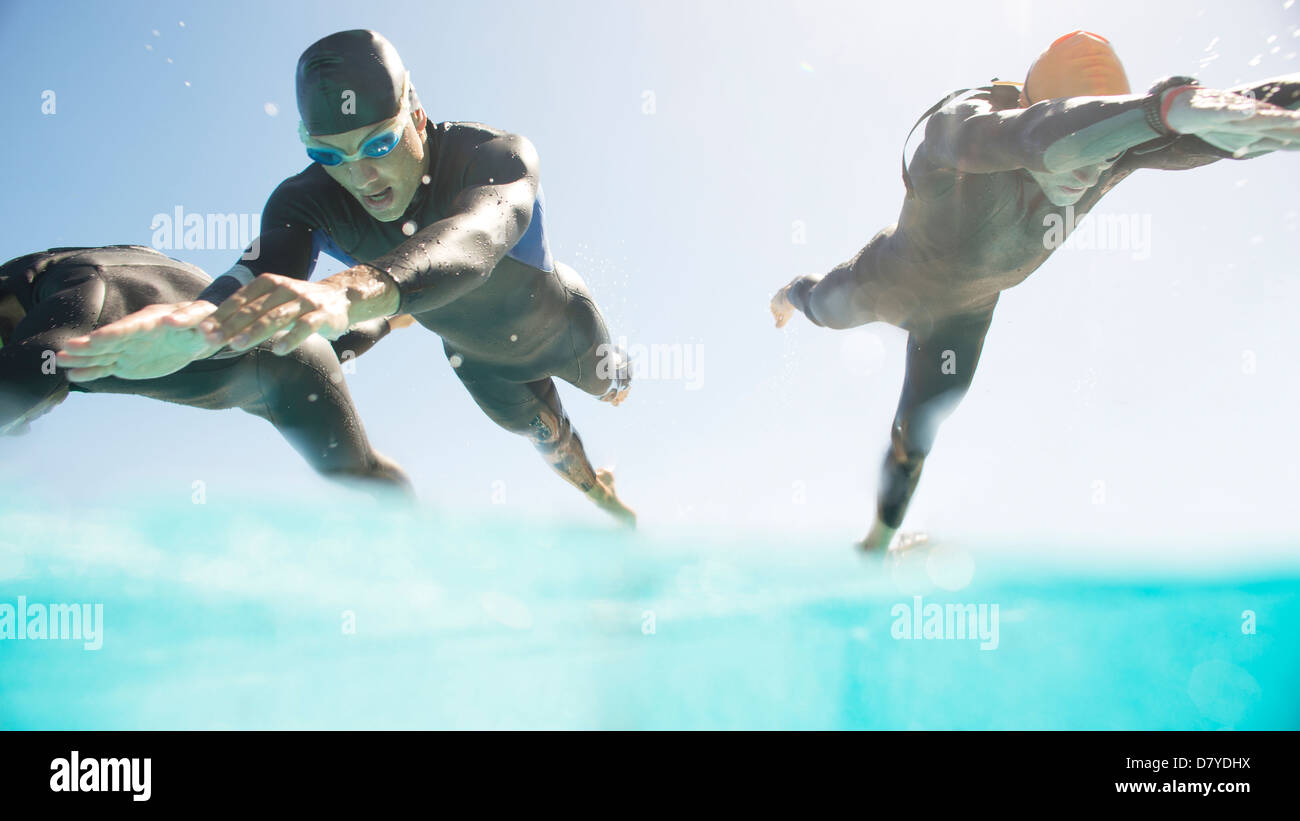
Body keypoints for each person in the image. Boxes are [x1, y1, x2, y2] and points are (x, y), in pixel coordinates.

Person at [56, 30, 636, 525]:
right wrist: (198, 319)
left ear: (416, 113)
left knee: (619, 389)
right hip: (479, 363)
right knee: (557, 449)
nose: (362, 176)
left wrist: (344, 294)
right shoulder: (305, 200)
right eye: (329, 155)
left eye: (379, 143)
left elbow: (475, 240)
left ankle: (405, 316)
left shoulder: (493, 156)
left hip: (564, 326)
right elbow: (259, 274)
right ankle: (607, 499)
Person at [770, 31, 1300, 550]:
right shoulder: (961, 127)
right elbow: (1021, 135)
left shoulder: (1111, 145)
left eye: (1098, 155)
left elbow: (1196, 127)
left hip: (963, 316)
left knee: (917, 436)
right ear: (1033, 105)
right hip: (884, 282)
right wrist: (1155, 113)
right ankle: (788, 291)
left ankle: (877, 542)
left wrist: (1194, 114)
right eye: (1079, 154)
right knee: (822, 306)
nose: (1086, 174)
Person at [5, 244, 412, 495]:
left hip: (285, 367)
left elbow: (37, 367)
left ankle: (412, 534)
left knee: (358, 475)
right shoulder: (49, 273)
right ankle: (396, 313)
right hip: (253, 336)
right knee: (321, 342)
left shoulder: (73, 292)